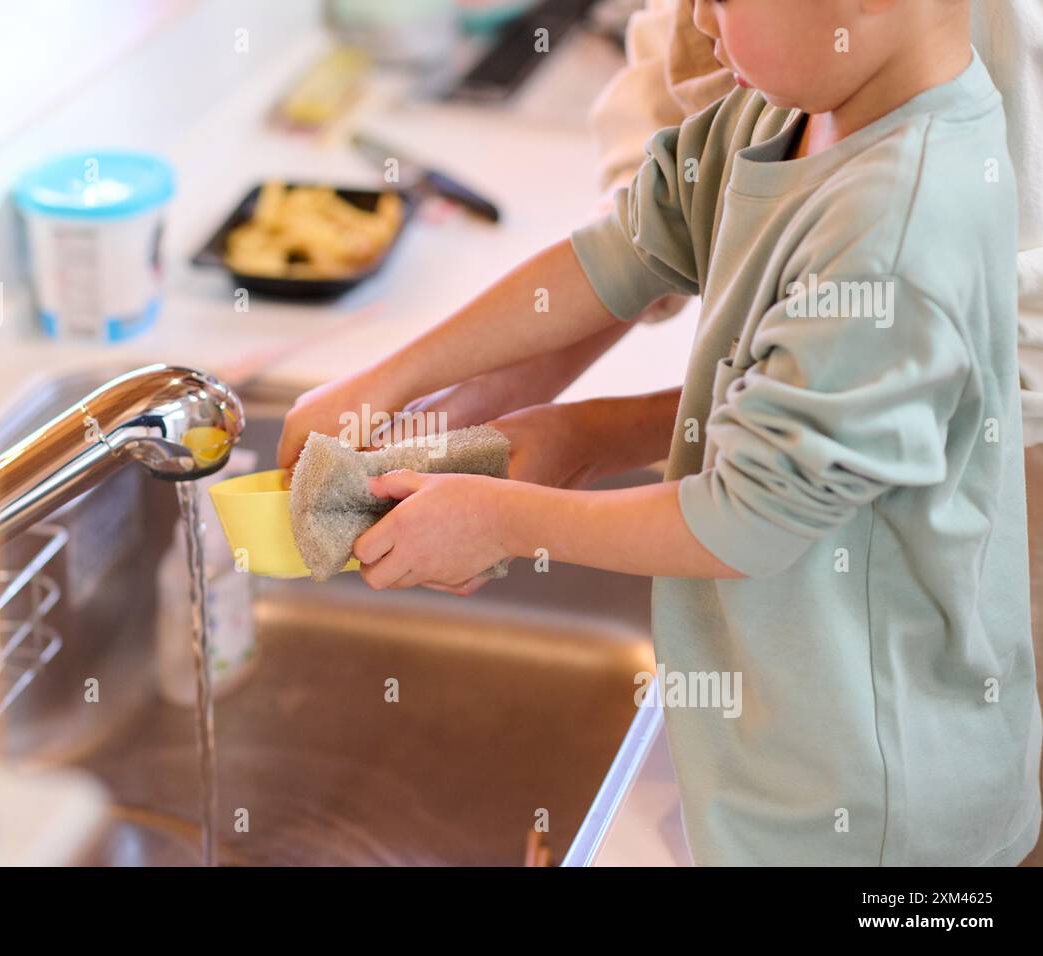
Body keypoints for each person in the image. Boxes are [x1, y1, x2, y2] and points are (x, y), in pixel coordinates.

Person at [278, 0, 1041, 865]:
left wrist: (503, 518)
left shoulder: (897, 230)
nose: (696, 24)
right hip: (777, 765)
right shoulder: (796, 113)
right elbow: (624, 249)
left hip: (875, 819)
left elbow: (746, 515)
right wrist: (387, 384)